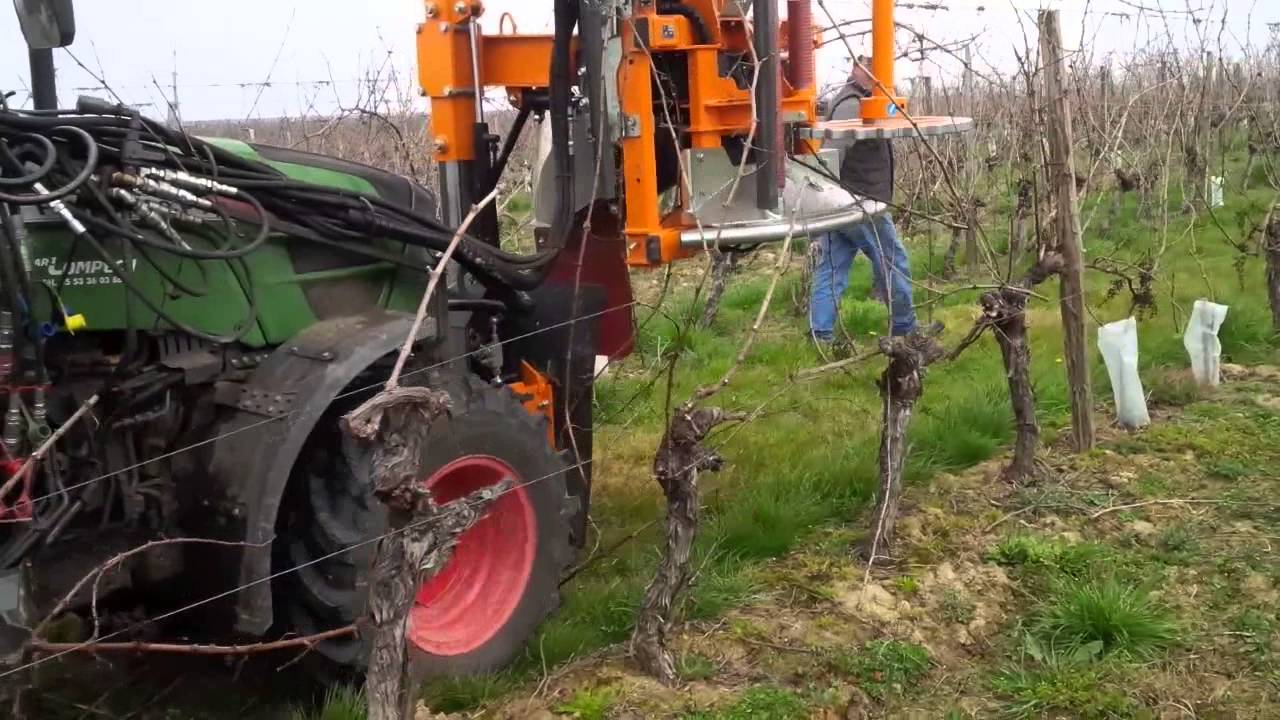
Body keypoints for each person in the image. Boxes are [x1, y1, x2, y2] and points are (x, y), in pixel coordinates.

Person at [810, 57, 918, 345]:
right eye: (868, 64)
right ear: (856, 66)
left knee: (832, 269)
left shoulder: (863, 100)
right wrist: (831, 199)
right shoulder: (851, 104)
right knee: (893, 261)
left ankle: (820, 336)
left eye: (878, 64)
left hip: (846, 201)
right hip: (860, 202)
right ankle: (905, 330)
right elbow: (832, 155)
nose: (875, 70)